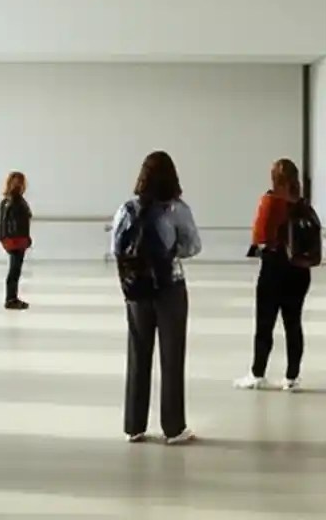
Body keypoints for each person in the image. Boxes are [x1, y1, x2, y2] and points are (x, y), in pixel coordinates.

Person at [110, 151, 201, 445]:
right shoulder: (177, 209)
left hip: (136, 290)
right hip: (170, 287)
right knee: (172, 357)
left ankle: (134, 425)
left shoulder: (127, 208)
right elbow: (192, 246)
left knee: (138, 353)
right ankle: (173, 428)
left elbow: (116, 246)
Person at [235, 158, 312, 392]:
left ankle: (257, 374)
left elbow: (260, 236)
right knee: (293, 324)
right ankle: (292, 377)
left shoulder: (270, 201)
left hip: (274, 270)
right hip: (299, 271)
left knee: (265, 324)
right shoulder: (303, 204)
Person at [0, 171, 31, 311]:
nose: (19, 185)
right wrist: (4, 239)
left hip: (20, 239)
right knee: (14, 271)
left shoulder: (18, 200)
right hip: (14, 240)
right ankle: (10, 299)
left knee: (16, 270)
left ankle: (13, 297)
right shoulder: (10, 201)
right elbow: (2, 222)